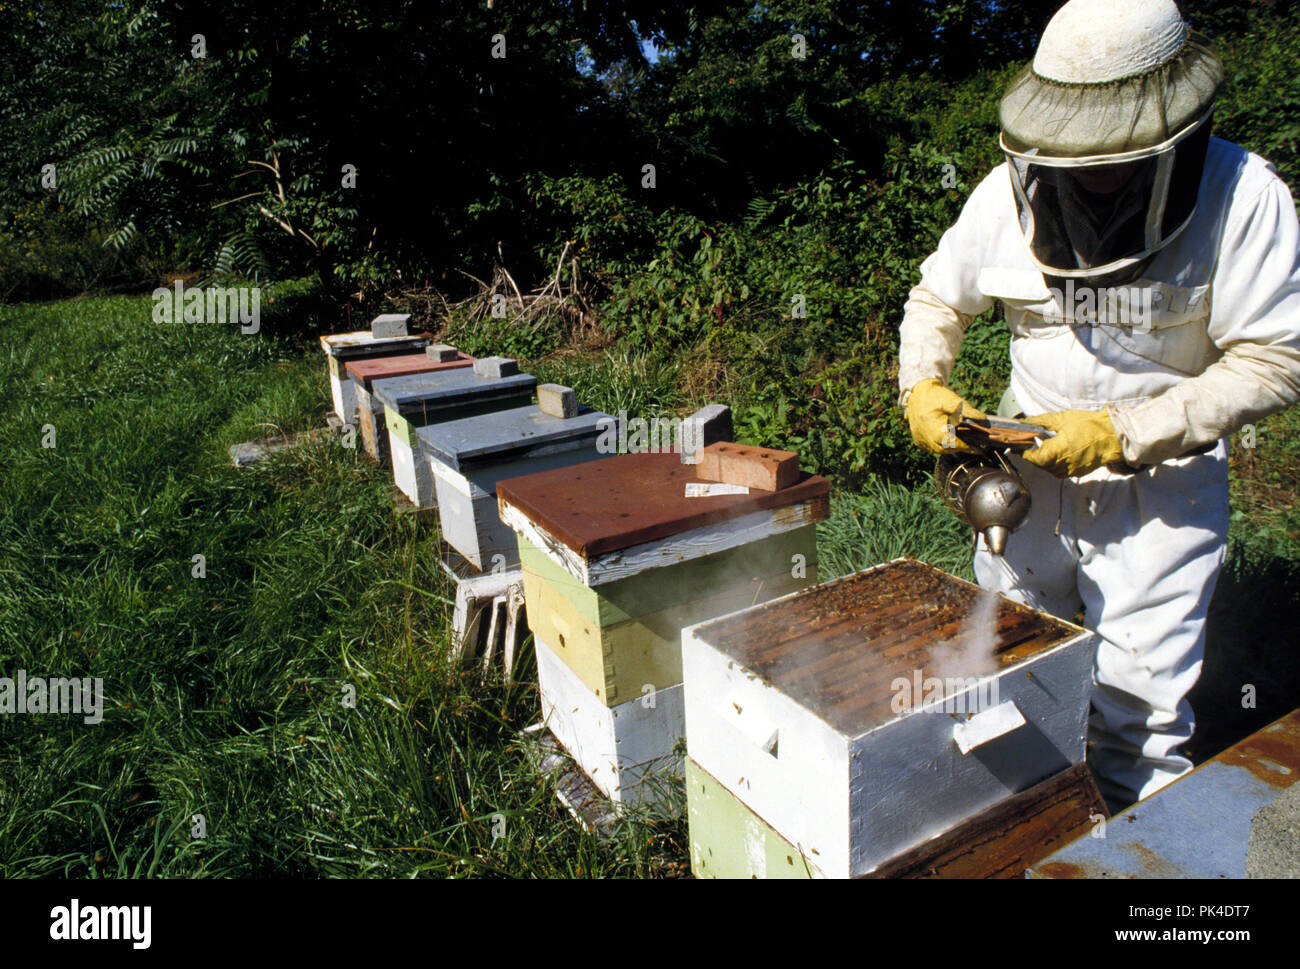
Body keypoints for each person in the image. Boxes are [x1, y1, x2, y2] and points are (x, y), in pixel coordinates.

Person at [897, 0, 1300, 810]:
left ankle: (1140, 880)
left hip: (1159, 488)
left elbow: (1277, 359)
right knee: (1011, 657)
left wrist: (1125, 432)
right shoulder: (1002, 196)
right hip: (1021, 474)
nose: (1089, 177)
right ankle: (1025, 827)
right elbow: (937, 300)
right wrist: (923, 385)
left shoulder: (1245, 197)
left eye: (1110, 158)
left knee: (1138, 708)